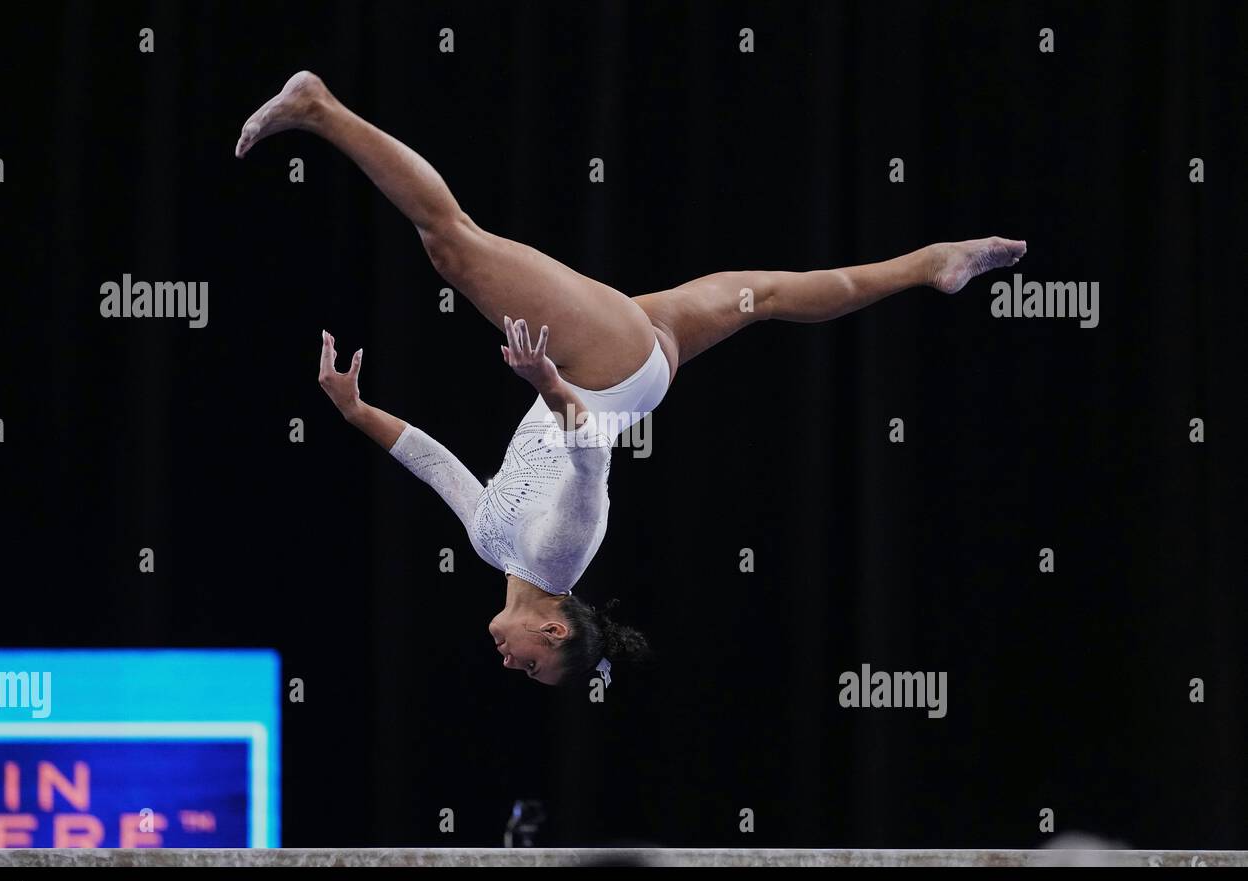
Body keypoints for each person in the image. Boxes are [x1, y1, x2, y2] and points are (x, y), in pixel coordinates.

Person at [236, 71, 1026, 687]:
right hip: (602, 373)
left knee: (769, 298)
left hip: (630, 372)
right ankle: (320, 106)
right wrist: (549, 383)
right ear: (554, 632)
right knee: (451, 242)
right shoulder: (561, 553)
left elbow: (432, 461)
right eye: (533, 665)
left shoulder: (493, 547)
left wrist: (354, 409)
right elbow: (590, 456)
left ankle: (930, 264)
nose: (510, 664)